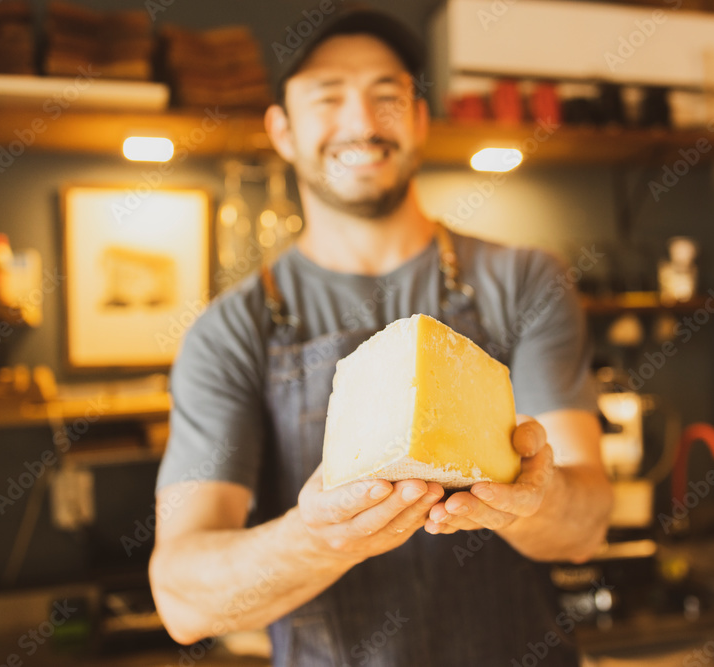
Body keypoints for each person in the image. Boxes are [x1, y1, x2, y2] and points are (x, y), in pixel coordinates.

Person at [149, 7, 613, 666]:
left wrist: (537, 502)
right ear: (281, 128)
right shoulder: (230, 332)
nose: (362, 123)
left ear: (421, 121)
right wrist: (317, 536)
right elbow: (183, 599)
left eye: (387, 97)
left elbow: (587, 524)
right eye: (328, 97)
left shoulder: (523, 281)